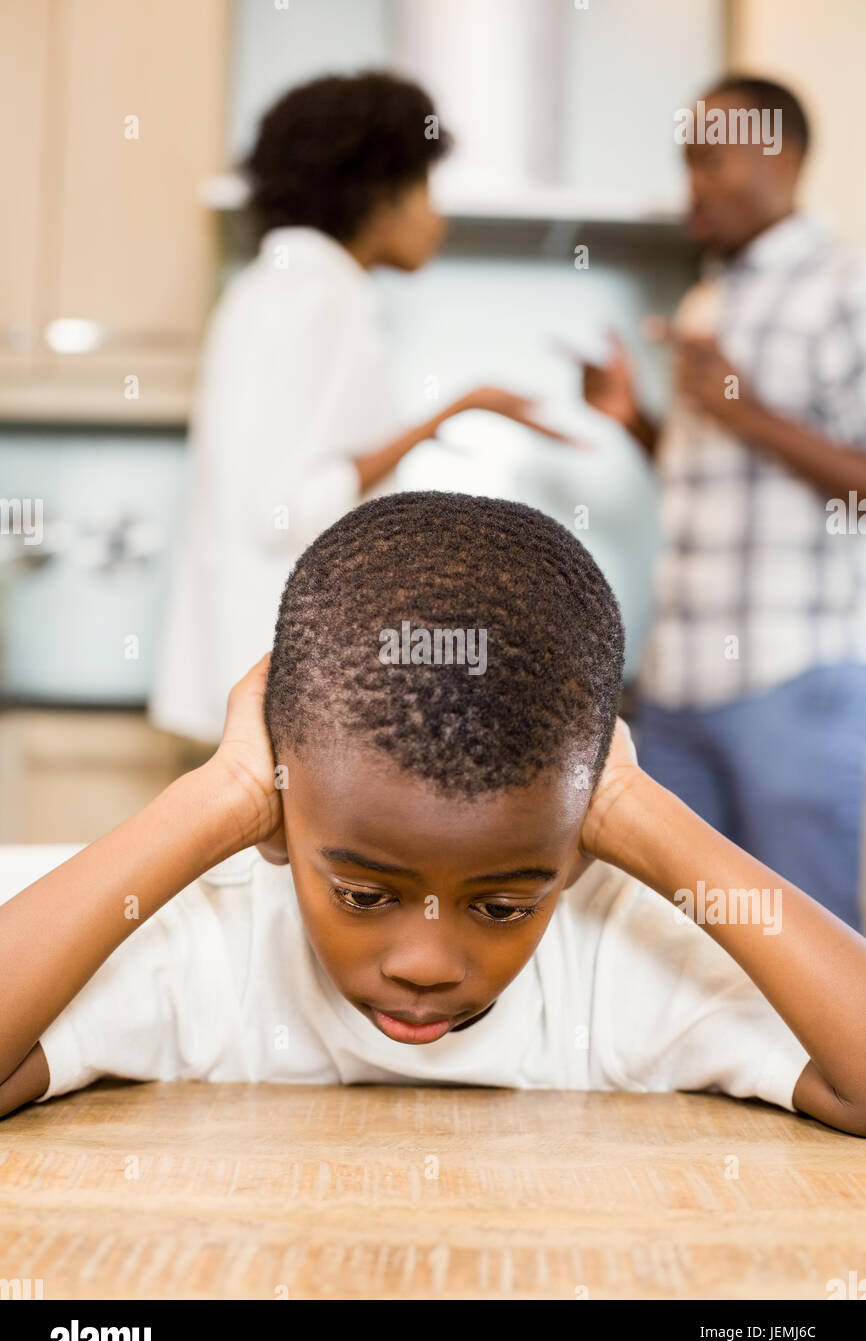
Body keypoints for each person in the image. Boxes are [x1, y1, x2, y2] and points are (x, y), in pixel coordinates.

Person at [2, 492, 865, 1137]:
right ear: (275, 818)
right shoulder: (202, 946)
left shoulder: (620, 963)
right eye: (365, 895)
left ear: (580, 853)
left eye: (501, 905)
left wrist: (633, 808)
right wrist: (217, 796)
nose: (425, 963)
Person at [150, 71, 563, 744]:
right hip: (288, 686)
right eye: (426, 189)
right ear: (378, 192)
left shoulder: (267, 288)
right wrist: (448, 415)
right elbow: (292, 506)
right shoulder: (325, 301)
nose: (440, 217)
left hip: (248, 669)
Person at [581, 75, 866, 931]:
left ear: (780, 154)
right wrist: (636, 421)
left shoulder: (844, 286)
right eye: (686, 163)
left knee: (809, 948)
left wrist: (744, 409)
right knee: (680, 944)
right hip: (678, 685)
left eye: (710, 160)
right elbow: (715, 480)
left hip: (793, 677)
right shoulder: (710, 297)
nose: (693, 184)